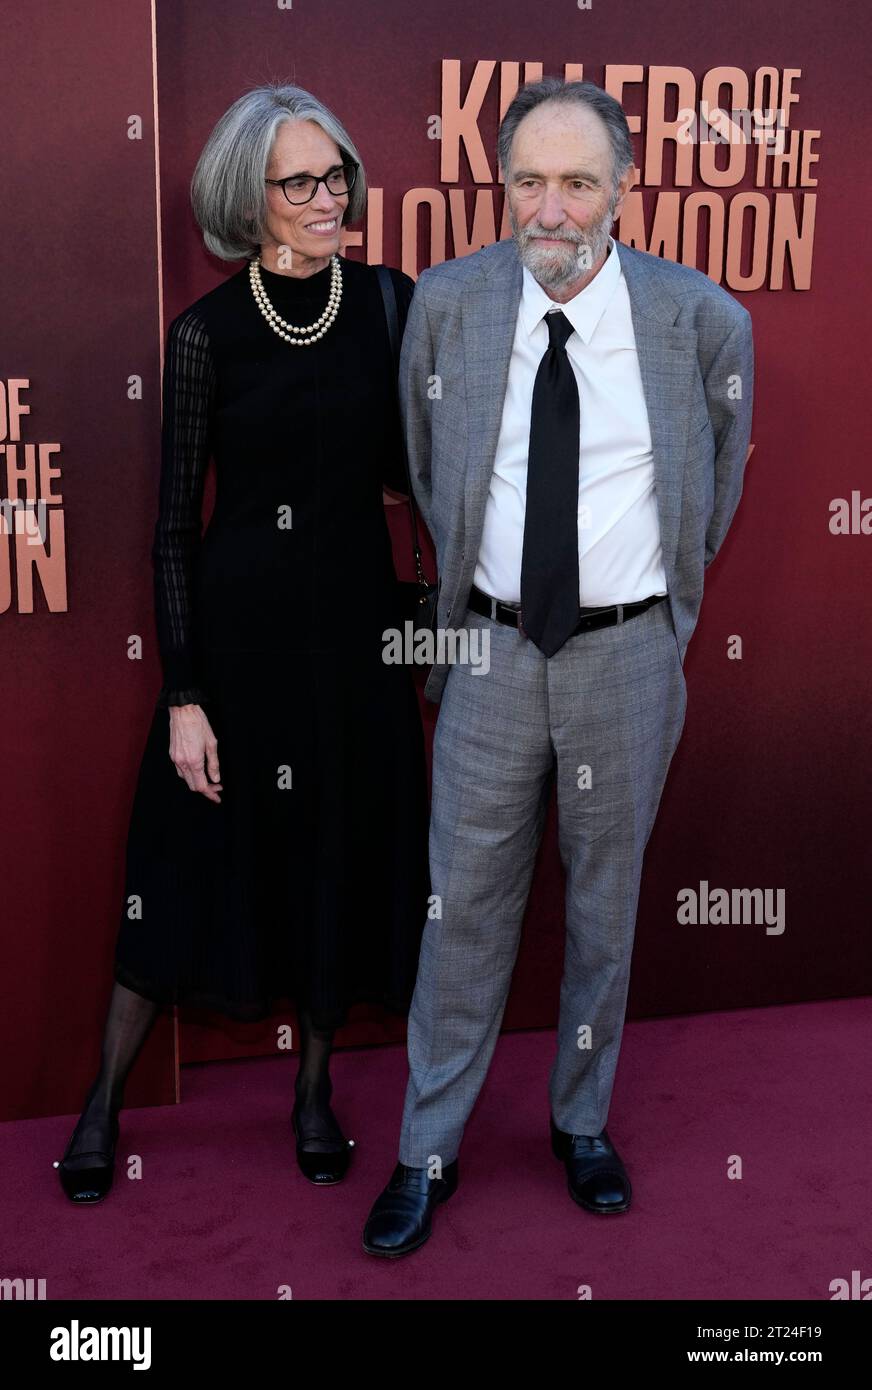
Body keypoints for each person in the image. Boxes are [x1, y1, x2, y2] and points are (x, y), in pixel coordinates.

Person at [363, 76, 754, 1256]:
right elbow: (434, 476)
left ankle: (579, 1127)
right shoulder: (446, 305)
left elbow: (711, 492)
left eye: (577, 180)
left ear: (623, 189)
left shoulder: (700, 321)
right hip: (484, 652)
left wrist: (657, 617)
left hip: (627, 661)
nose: (550, 205)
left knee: (602, 914)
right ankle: (424, 1150)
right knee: (460, 914)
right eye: (527, 177)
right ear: (501, 183)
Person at [55, 83, 430, 1203]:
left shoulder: (388, 305)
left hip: (357, 648)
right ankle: (101, 1103)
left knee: (334, 864)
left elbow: (422, 476)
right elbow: (174, 528)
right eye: (301, 182)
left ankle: (312, 1093)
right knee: (174, 869)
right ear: (247, 199)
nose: (328, 198)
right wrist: (183, 693)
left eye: (337, 175)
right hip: (237, 648)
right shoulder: (205, 335)